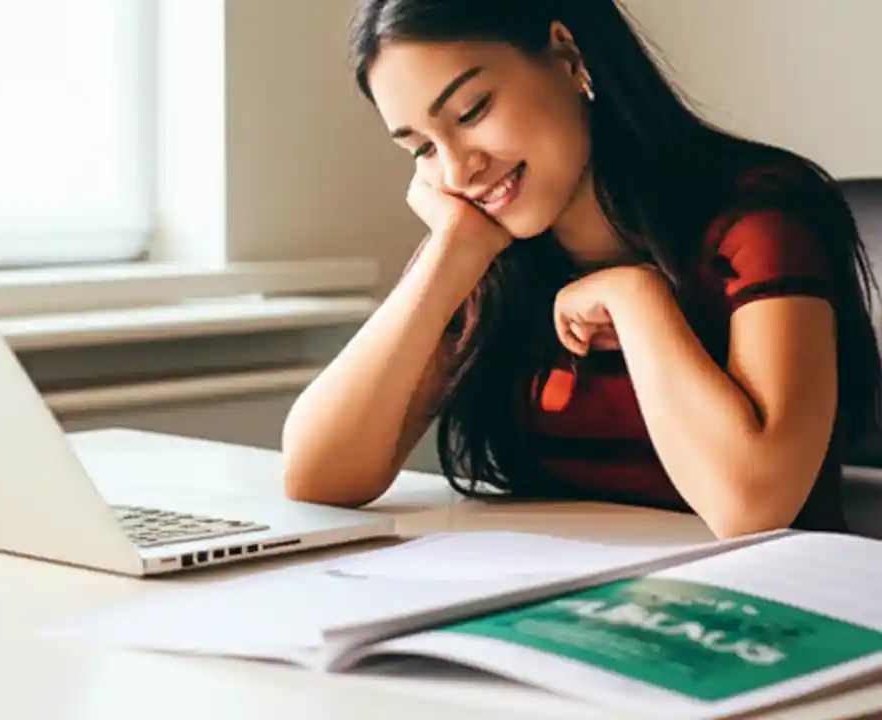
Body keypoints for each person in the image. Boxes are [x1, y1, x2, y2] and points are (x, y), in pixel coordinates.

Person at [280, 0, 882, 538]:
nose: (459, 173)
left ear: (567, 55)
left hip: (765, 621)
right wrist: (450, 251)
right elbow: (317, 476)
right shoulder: (493, 256)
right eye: (423, 149)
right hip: (560, 609)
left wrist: (635, 297)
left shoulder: (759, 214)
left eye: (472, 111)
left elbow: (752, 505)